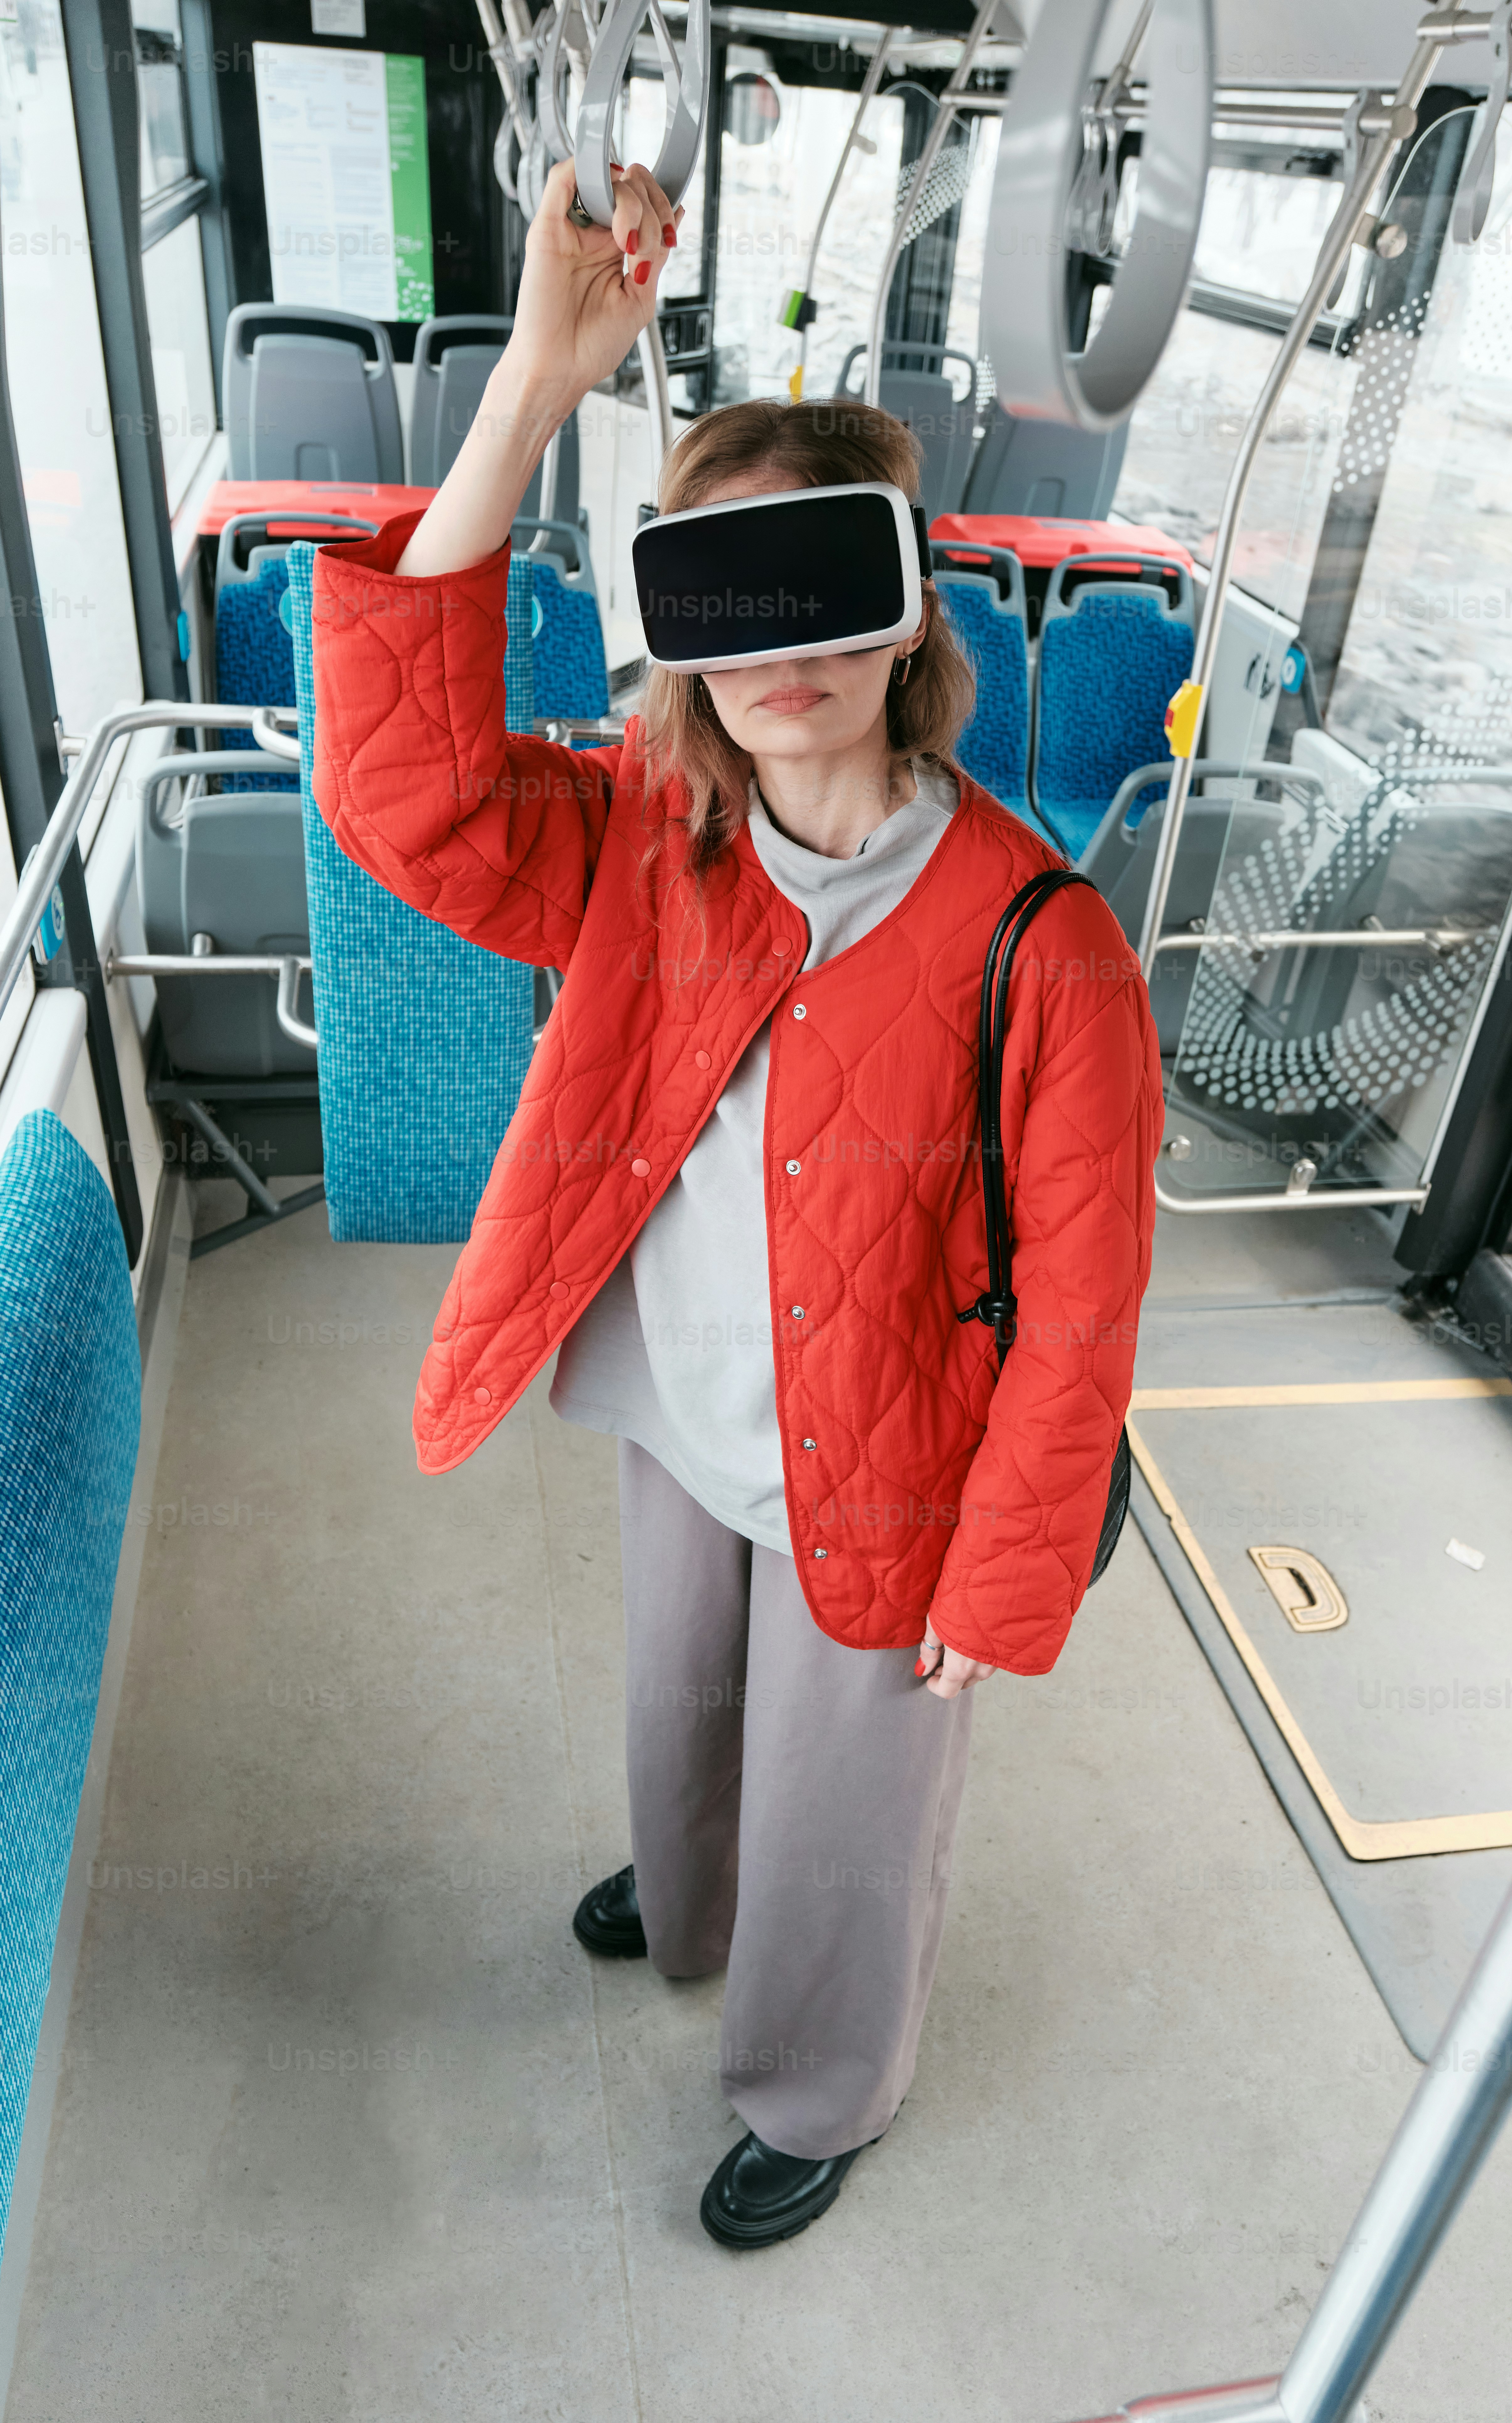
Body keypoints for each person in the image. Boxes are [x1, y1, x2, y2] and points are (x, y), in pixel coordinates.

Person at [311, 156, 1163, 2249]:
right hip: (697, 1409)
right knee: (682, 1707)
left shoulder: (1043, 944)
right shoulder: (634, 838)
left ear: (902, 603)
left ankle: (818, 2078)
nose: (780, 651)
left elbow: (1082, 1312)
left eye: (824, 584)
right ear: (678, 628)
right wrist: (528, 385)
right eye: (724, 593)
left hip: (894, 1456)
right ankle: (688, 1898)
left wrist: (1007, 1573)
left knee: (850, 1808)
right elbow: (398, 788)